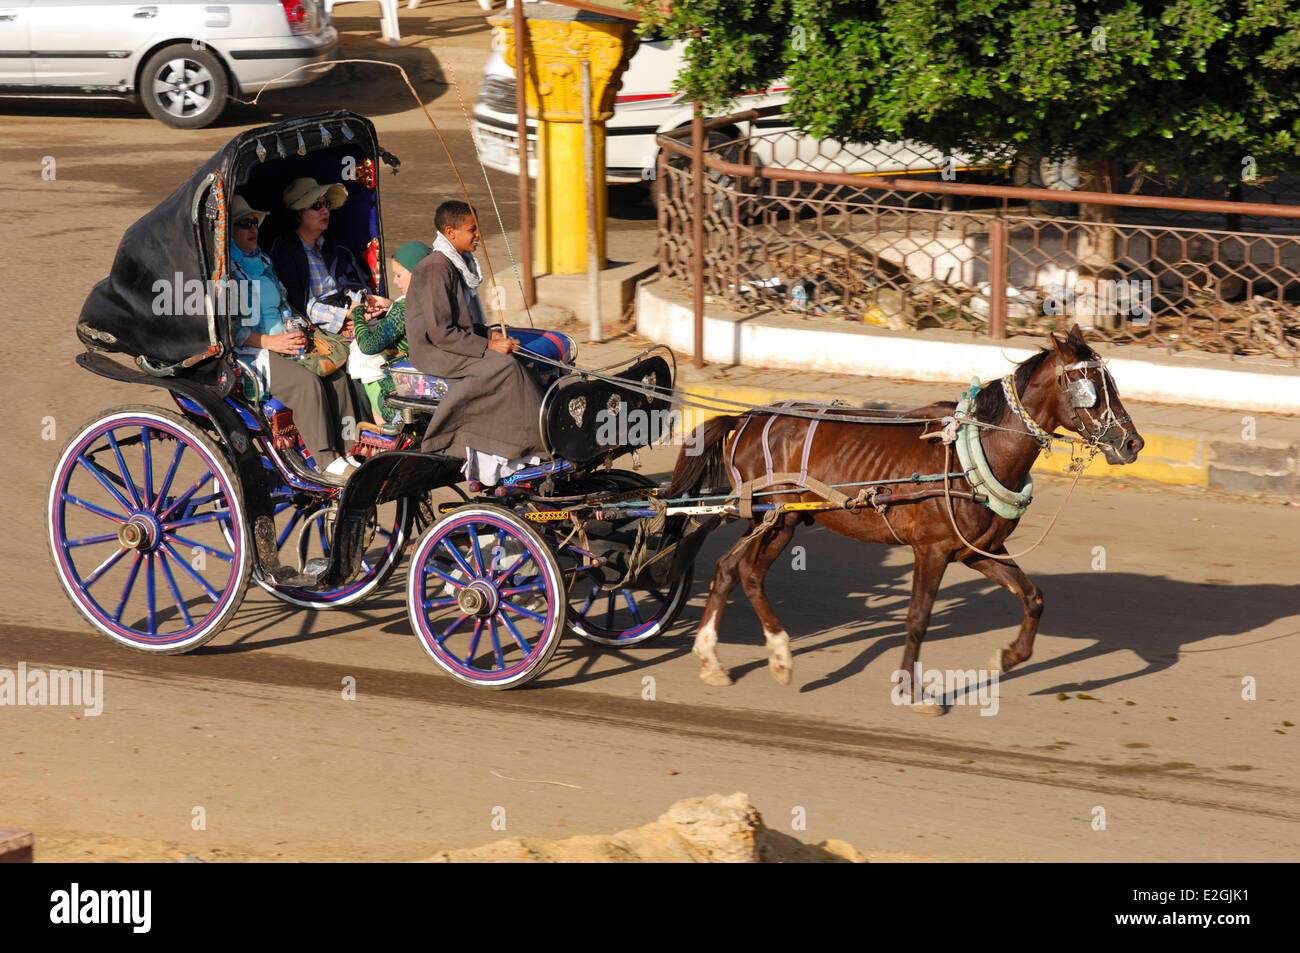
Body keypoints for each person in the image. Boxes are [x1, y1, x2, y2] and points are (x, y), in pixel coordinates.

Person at [404, 201, 545, 481]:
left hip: (452, 341)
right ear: (450, 232)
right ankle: (520, 443)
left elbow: (461, 323)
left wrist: (487, 334)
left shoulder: (454, 262)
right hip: (434, 350)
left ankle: (523, 433)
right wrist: (488, 346)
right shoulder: (436, 268)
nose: (478, 235)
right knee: (503, 367)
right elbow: (441, 332)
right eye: (472, 230)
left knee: (521, 356)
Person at [228, 193, 359, 480]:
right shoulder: (226, 271)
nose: (252, 229)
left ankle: (349, 450)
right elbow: (229, 329)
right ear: (229, 231)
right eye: (244, 224)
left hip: (287, 339)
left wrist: (300, 329)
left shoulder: (261, 259)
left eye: (254, 223)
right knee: (306, 384)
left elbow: (285, 303)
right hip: (253, 352)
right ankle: (325, 459)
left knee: (337, 375)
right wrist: (269, 342)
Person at [270, 177, 384, 338]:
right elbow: (301, 305)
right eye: (317, 206)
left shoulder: (334, 247)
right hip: (318, 328)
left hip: (348, 315)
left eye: (326, 204)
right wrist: (344, 316)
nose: (325, 211)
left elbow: (344, 287)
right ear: (299, 214)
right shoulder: (287, 252)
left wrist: (365, 303)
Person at [348, 239, 431, 425]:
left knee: (367, 378)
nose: (394, 280)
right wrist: (389, 304)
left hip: (401, 391)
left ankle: (383, 438)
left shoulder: (405, 307)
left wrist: (357, 315)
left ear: (416, 274)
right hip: (428, 380)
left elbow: (368, 345)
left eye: (399, 275)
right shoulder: (435, 296)